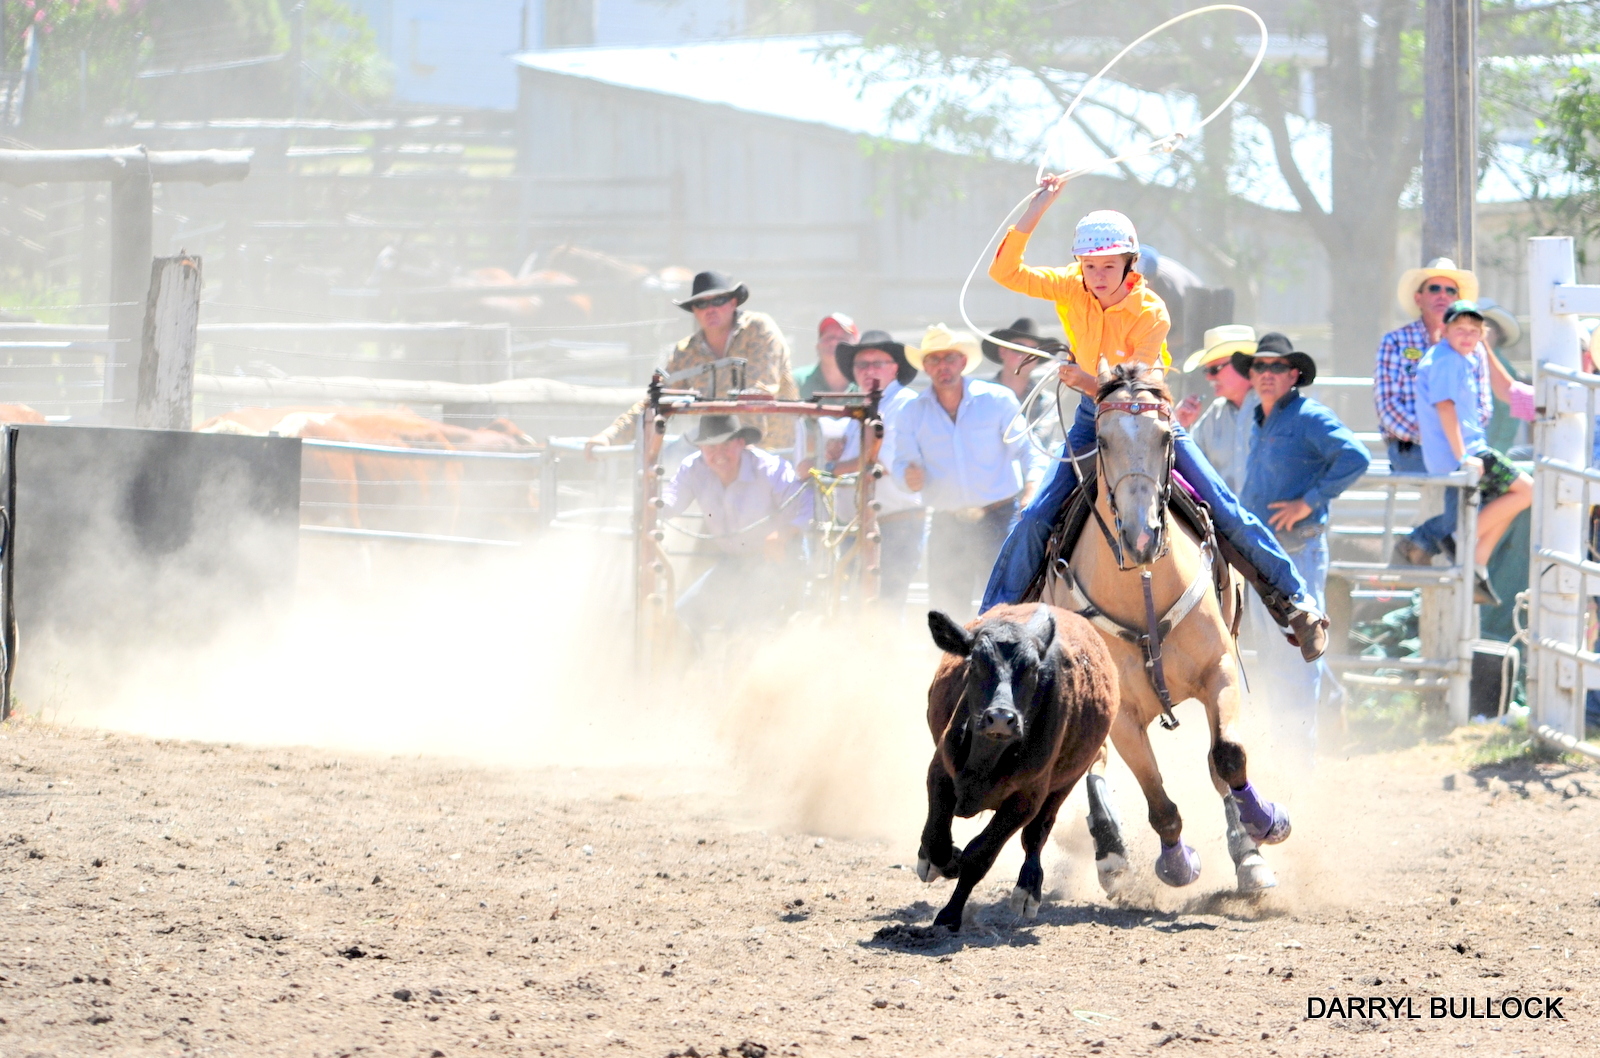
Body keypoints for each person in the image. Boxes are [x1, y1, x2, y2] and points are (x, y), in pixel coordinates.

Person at [978, 180, 1328, 660]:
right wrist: (1037, 206)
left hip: (1147, 416)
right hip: (1093, 417)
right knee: (1036, 515)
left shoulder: (1150, 311)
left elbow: (1140, 383)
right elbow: (1004, 270)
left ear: (1129, 265)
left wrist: (1087, 380)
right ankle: (992, 626)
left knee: (1222, 507)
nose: (1098, 276)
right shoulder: (1070, 284)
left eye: (1107, 266)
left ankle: (1294, 603)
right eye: (1090, 266)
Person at [1231, 334, 1371, 761]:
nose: (1267, 375)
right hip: (1265, 553)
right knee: (1279, 655)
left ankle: (1299, 758)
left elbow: (1356, 455)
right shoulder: (1261, 417)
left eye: (1277, 367)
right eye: (1259, 367)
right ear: (1251, 375)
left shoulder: (1309, 416)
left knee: (1292, 653)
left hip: (1297, 550)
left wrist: (1308, 501)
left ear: (1294, 375)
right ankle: (1297, 743)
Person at [892, 324, 1047, 621]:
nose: (943, 367)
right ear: (925, 366)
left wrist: (1031, 488)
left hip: (998, 518)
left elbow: (1029, 450)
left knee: (1008, 607)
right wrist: (907, 477)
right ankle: (954, 666)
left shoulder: (996, 399)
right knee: (948, 610)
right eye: (935, 360)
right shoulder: (912, 412)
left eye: (950, 358)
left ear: (963, 362)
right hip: (947, 522)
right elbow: (902, 465)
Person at [587, 270, 799, 454]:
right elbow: (655, 401)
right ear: (694, 311)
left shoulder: (758, 329)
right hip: (719, 457)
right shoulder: (686, 352)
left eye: (718, 300)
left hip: (774, 452)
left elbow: (760, 391)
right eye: (701, 303)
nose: (710, 309)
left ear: (733, 302)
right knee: (672, 462)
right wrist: (610, 436)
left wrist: (746, 446)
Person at [1412, 301, 1534, 605]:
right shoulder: (1448, 360)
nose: (1468, 336)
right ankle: (1454, 539)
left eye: (1475, 331)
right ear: (1445, 330)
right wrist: (1464, 455)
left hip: (1473, 451)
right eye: (1460, 329)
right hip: (1469, 452)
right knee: (1526, 491)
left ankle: (1476, 563)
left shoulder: (1465, 359)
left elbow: (1505, 395)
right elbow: (1446, 406)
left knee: (1509, 499)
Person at [659, 414, 813, 642]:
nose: (718, 454)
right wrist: (652, 508)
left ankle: (738, 675)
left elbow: (809, 505)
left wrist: (783, 533)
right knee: (683, 618)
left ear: (741, 443)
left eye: (726, 444)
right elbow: (671, 500)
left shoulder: (770, 468)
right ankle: (695, 674)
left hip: (779, 561)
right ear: (701, 448)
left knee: (741, 626)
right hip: (734, 561)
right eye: (711, 446)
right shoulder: (693, 468)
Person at [1374, 258, 1525, 475]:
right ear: (1419, 298)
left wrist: (1455, 441)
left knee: (1498, 483)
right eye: (1434, 288)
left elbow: (1483, 408)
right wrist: (1438, 436)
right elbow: (1388, 409)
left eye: (1451, 291)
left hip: (1464, 447)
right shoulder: (1395, 342)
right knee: (1472, 482)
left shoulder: (1476, 349)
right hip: (1412, 449)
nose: (1443, 295)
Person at [829, 330, 926, 612]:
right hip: (861, 525)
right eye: (862, 364)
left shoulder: (904, 404)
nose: (869, 370)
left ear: (895, 367)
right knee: (862, 605)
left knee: (885, 605)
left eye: (877, 363)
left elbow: (880, 460)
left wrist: (831, 467)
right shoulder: (864, 406)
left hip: (893, 524)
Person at [1174, 325, 1261, 494]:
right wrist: (1179, 425)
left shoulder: (1275, 408)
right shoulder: (1215, 415)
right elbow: (1186, 465)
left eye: (1215, 369)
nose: (1209, 376)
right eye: (1207, 370)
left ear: (1243, 364)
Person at [981, 317, 1061, 403]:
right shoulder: (980, 396)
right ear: (1003, 352)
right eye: (1019, 348)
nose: (1026, 356)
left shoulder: (1047, 402)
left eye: (1033, 351)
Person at [794, 313, 859, 399]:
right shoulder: (797, 381)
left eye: (842, 339)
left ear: (856, 348)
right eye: (829, 337)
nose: (834, 342)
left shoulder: (864, 384)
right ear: (818, 345)